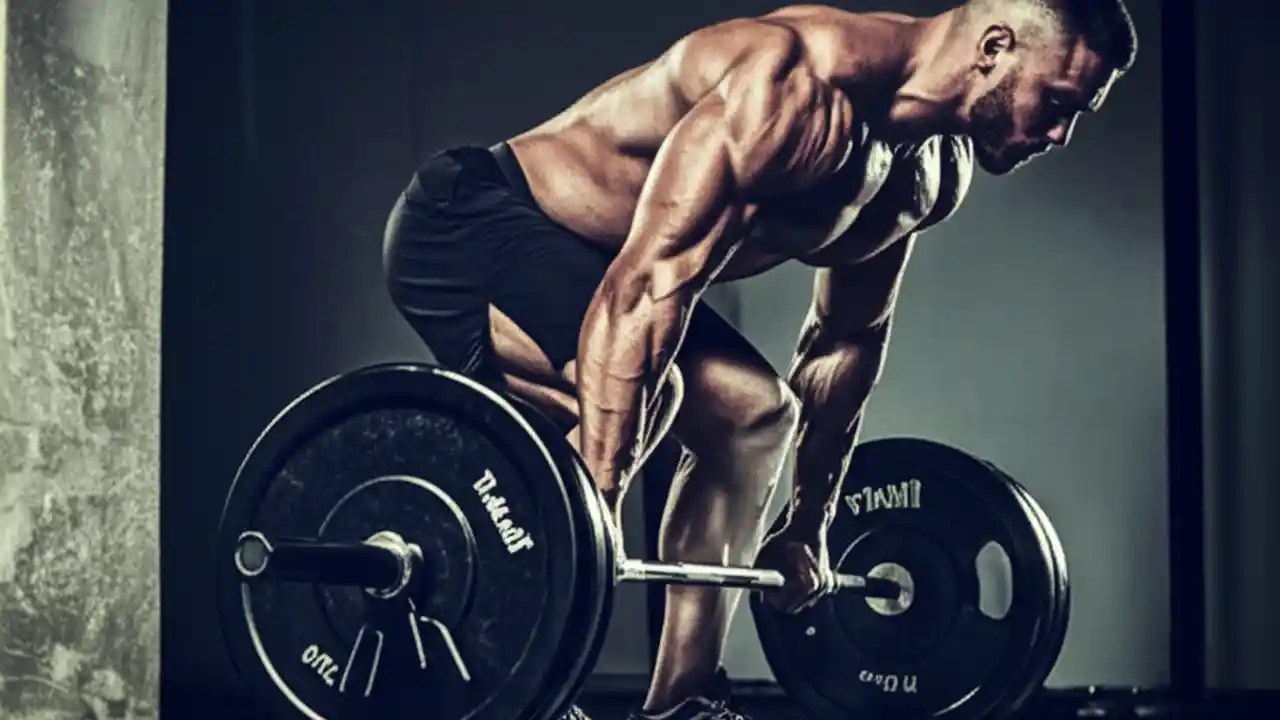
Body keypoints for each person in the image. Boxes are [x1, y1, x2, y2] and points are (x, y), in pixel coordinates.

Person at [382, 1, 1137, 717]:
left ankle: (682, 702)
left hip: (606, 274)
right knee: (650, 400)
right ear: (996, 49)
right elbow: (647, 289)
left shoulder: (928, 175)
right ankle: (515, 684)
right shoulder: (792, 89)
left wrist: (809, 521)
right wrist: (595, 513)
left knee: (756, 415)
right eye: (1061, 101)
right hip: (471, 225)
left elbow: (847, 341)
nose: (1061, 134)